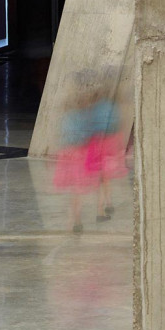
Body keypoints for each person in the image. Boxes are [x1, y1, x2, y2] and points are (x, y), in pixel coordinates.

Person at [52, 72, 127, 232]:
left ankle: (74, 220)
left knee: (76, 191)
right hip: (96, 148)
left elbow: (63, 136)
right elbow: (113, 125)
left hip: (70, 155)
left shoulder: (69, 115)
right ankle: (104, 206)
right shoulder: (102, 110)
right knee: (103, 177)